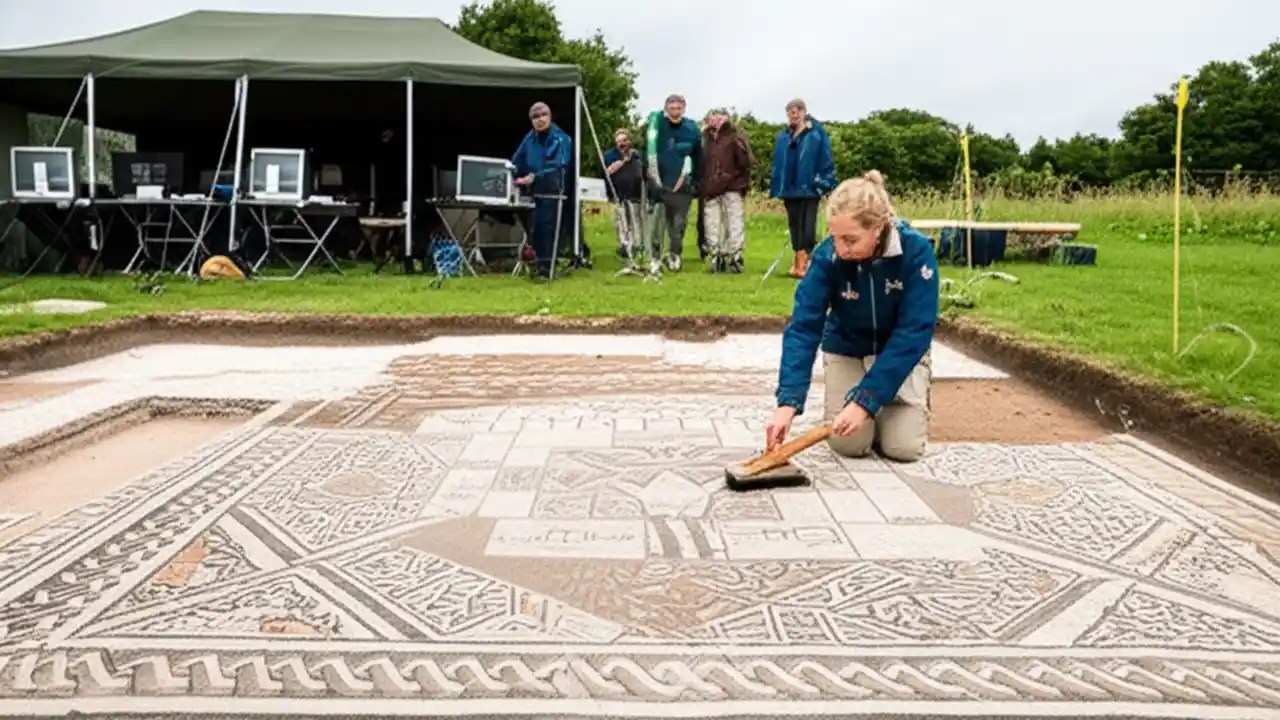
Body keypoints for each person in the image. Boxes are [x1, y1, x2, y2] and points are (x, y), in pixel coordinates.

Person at [767, 170, 940, 463]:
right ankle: (871, 401)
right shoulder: (827, 256)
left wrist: (866, 401)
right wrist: (788, 402)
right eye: (835, 238)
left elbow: (915, 330)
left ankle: (896, 397)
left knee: (903, 449)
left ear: (878, 228)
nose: (840, 249)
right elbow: (804, 327)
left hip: (897, 350)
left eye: (850, 239)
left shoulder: (916, 251)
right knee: (850, 444)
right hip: (847, 349)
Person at [769, 98, 837, 279]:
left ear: (804, 112)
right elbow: (778, 162)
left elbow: (825, 157)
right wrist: (777, 184)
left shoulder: (816, 133)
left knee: (808, 225)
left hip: (810, 187)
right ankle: (798, 260)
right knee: (794, 226)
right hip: (790, 188)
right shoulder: (784, 136)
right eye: (790, 111)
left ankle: (806, 261)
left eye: (797, 110)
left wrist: (823, 181)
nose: (794, 114)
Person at [511, 101, 573, 277]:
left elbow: (559, 165)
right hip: (531, 192)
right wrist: (512, 173)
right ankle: (536, 263)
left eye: (543, 115)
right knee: (533, 229)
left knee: (547, 228)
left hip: (552, 191)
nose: (540, 120)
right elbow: (517, 160)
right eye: (535, 117)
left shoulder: (560, 138)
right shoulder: (529, 138)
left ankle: (547, 266)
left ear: (550, 116)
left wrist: (533, 177)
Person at [648, 94, 701, 272]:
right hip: (660, 184)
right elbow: (648, 151)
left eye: (678, 108)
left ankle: (675, 255)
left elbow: (698, 157)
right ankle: (655, 257)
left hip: (682, 186)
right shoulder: (657, 126)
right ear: (666, 109)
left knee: (678, 225)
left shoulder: (692, 129)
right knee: (657, 225)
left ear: (683, 110)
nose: (675, 112)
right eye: (671, 108)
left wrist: (696, 182)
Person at [699, 108, 755, 273]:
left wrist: (731, 178)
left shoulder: (735, 136)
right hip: (710, 188)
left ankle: (735, 256)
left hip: (732, 187)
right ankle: (716, 255)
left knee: (734, 222)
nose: (716, 119)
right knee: (712, 223)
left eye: (720, 116)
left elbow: (746, 162)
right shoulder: (704, 139)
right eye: (713, 116)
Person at [602, 128, 647, 261]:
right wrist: (622, 162)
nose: (622, 144)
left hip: (635, 195)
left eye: (624, 140)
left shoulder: (637, 156)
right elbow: (606, 173)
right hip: (618, 194)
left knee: (635, 221)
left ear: (630, 141)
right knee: (621, 221)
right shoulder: (610, 156)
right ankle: (624, 245)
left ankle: (636, 245)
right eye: (619, 141)